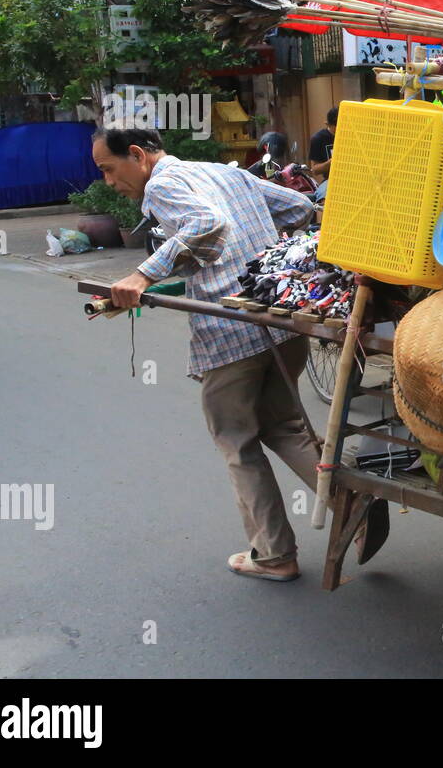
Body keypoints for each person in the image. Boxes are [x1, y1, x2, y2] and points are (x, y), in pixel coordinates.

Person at [95, 126, 386, 582]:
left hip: (229, 329)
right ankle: (353, 502)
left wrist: (142, 276)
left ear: (137, 154)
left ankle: (274, 556)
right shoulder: (221, 173)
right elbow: (300, 207)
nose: (110, 182)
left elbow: (206, 224)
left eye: (109, 170)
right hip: (277, 317)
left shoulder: (163, 185)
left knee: (236, 440)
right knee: (284, 425)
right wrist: (263, 257)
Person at [308, 107, 337, 182]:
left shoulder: (351, 135)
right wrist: (331, 163)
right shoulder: (318, 139)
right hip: (330, 180)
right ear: (328, 124)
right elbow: (315, 170)